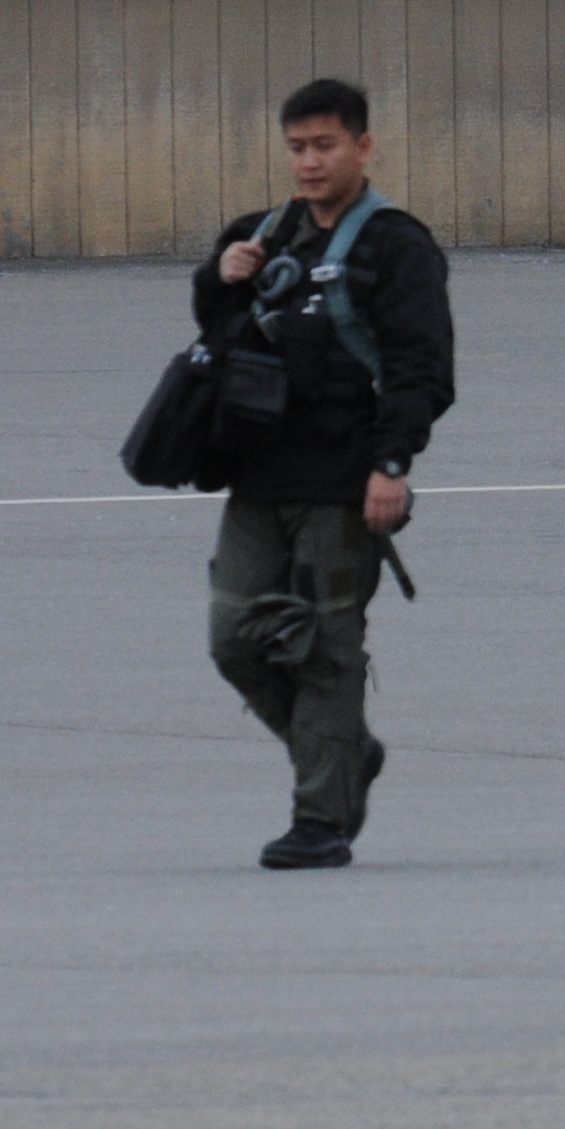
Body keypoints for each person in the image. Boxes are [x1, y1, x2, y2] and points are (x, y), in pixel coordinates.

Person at [194, 77, 455, 871]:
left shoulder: (397, 246)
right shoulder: (264, 233)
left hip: (343, 482)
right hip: (258, 475)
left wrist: (392, 464)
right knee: (234, 639)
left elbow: (420, 369)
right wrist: (220, 277)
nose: (309, 162)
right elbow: (220, 332)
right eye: (297, 147)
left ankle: (320, 820)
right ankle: (345, 756)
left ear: (363, 147)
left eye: (325, 146)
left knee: (325, 650)